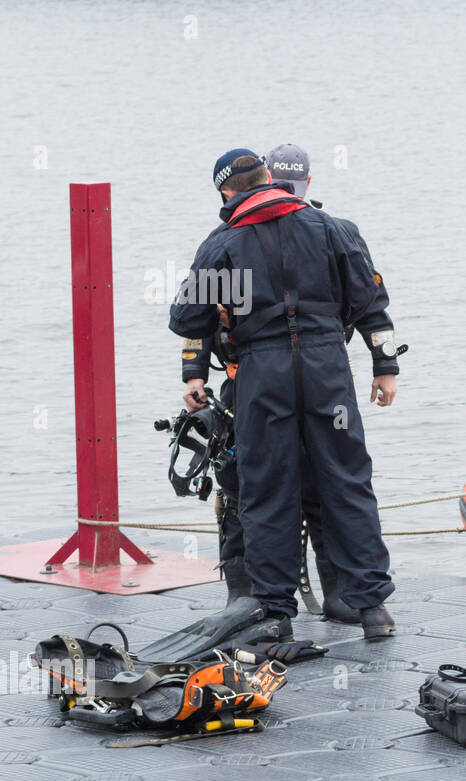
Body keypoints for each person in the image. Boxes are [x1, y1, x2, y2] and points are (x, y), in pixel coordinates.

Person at [170, 148, 397, 643]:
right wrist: (383, 365)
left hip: (261, 371)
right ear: (270, 177)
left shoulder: (222, 245)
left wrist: (211, 343)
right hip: (327, 367)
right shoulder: (334, 229)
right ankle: (373, 608)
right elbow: (368, 300)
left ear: (227, 194)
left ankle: (275, 613)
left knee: (267, 488)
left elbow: (186, 320)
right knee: (346, 480)